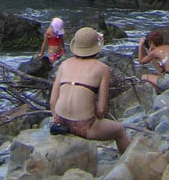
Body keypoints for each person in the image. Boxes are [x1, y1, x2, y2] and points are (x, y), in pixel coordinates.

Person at [49, 26, 130, 154]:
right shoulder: (102, 68)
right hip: (84, 126)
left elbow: (53, 101)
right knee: (119, 130)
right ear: (96, 48)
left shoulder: (64, 64)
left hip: (59, 122)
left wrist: (57, 119)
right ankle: (126, 163)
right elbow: (101, 110)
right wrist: (95, 118)